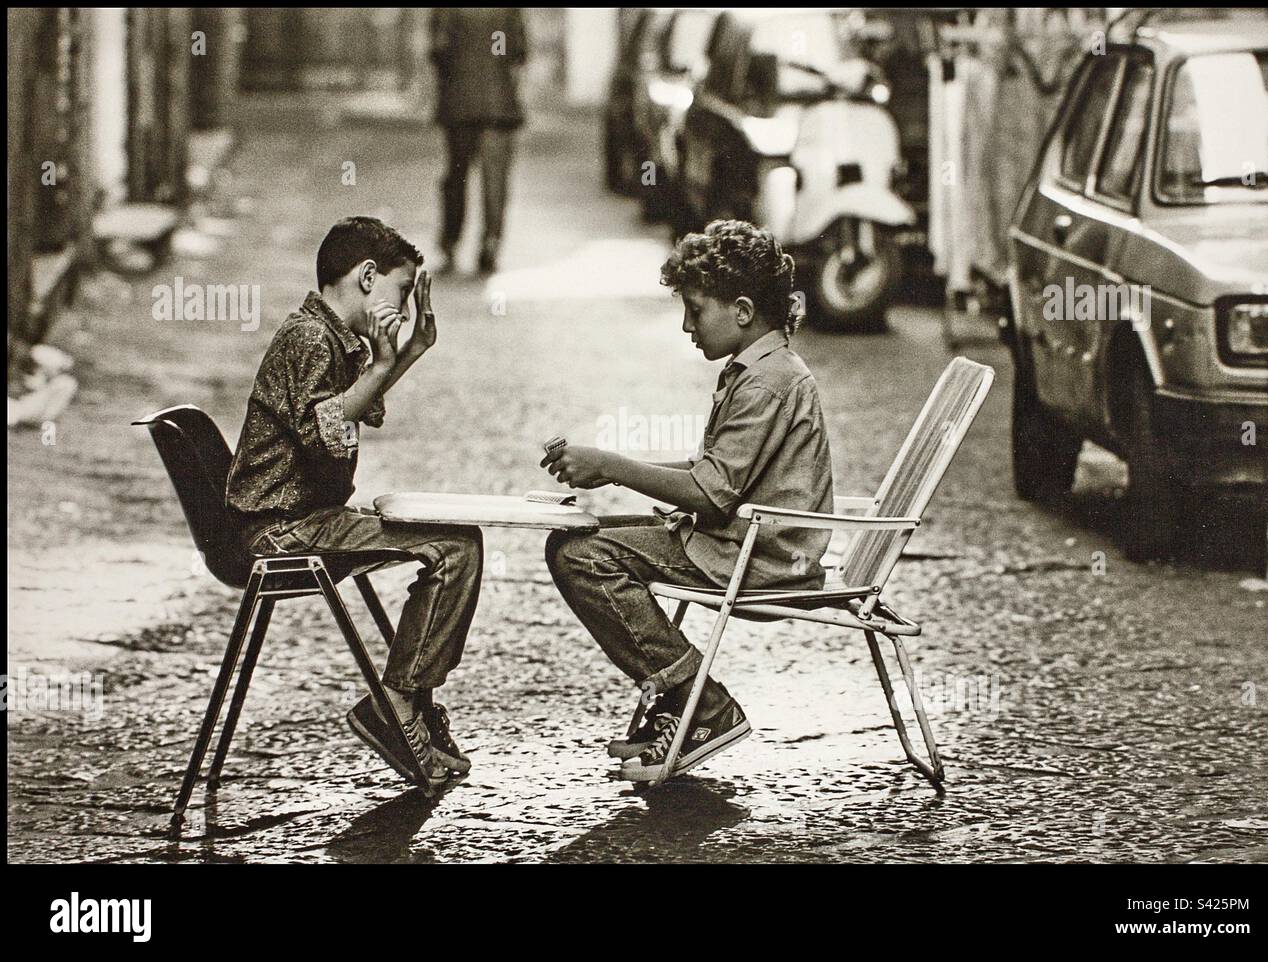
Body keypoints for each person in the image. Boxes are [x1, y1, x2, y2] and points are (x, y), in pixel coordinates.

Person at [542, 220, 836, 781]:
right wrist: (614, 472)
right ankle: (684, 703)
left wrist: (612, 466)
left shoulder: (769, 381)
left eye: (696, 310)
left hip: (758, 557)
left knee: (580, 555)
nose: (685, 325)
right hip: (743, 541)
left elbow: (710, 491)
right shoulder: (760, 369)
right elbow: (716, 477)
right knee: (581, 536)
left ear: (743, 311)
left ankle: (699, 702)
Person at [226, 216, 483, 788]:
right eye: (400, 290)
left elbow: (349, 409)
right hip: (281, 530)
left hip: (299, 520)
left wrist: (410, 351)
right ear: (368, 277)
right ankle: (398, 704)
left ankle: (403, 703)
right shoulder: (310, 340)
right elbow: (328, 436)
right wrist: (388, 363)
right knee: (455, 547)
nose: (404, 304)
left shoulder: (330, 337)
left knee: (454, 541)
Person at [429, 8, 528, 275]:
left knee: (456, 176)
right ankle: (490, 244)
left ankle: (450, 241)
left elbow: (439, 50)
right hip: (500, 106)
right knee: (495, 180)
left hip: (459, 103)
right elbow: (518, 52)